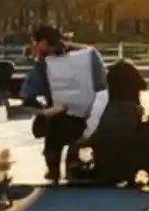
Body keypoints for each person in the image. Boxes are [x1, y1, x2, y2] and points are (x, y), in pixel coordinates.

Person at [21, 24, 107, 182]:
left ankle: (71, 165)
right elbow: (29, 96)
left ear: (44, 42)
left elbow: (102, 87)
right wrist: (46, 111)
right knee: (54, 140)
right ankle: (57, 168)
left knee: (69, 149)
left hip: (85, 114)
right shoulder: (45, 63)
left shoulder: (86, 55)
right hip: (63, 115)